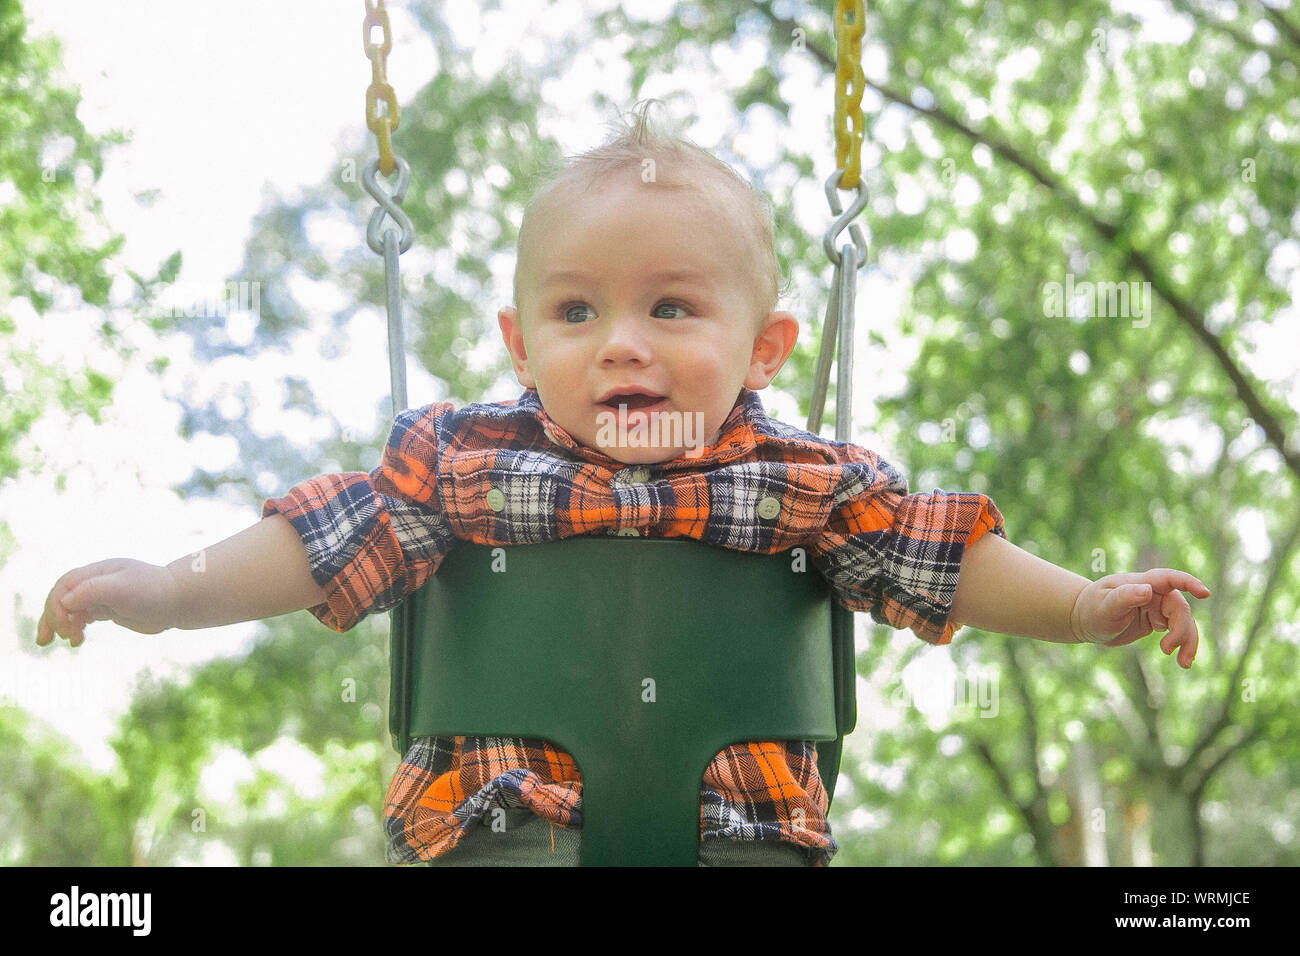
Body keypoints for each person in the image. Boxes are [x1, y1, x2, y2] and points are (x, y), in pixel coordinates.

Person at [36, 104, 1209, 866]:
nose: (621, 343)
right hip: (497, 825)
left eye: (671, 305)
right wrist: (162, 588)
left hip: (740, 831)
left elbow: (941, 550)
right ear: (518, 340)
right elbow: (317, 541)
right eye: (576, 310)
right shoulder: (460, 460)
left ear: (763, 348)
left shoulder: (805, 477)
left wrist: (1080, 602)